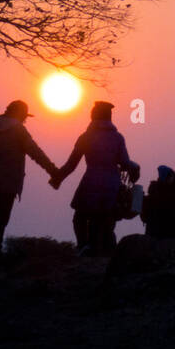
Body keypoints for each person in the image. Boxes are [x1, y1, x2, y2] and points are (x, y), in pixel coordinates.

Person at [0, 100, 60, 275]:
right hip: (6, 188)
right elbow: (36, 153)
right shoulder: (19, 132)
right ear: (22, 115)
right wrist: (53, 171)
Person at [52, 101, 133, 256]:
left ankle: (84, 246)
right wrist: (133, 167)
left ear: (93, 116)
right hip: (112, 185)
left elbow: (71, 164)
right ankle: (105, 252)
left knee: (80, 217)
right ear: (110, 117)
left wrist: (58, 178)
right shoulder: (118, 137)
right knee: (106, 220)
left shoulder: (86, 137)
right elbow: (125, 163)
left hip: (91, 183)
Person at [143, 166, 175, 240]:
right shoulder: (170, 193)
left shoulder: (154, 188)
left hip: (153, 228)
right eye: (171, 176)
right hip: (165, 230)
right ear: (166, 177)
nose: (172, 178)